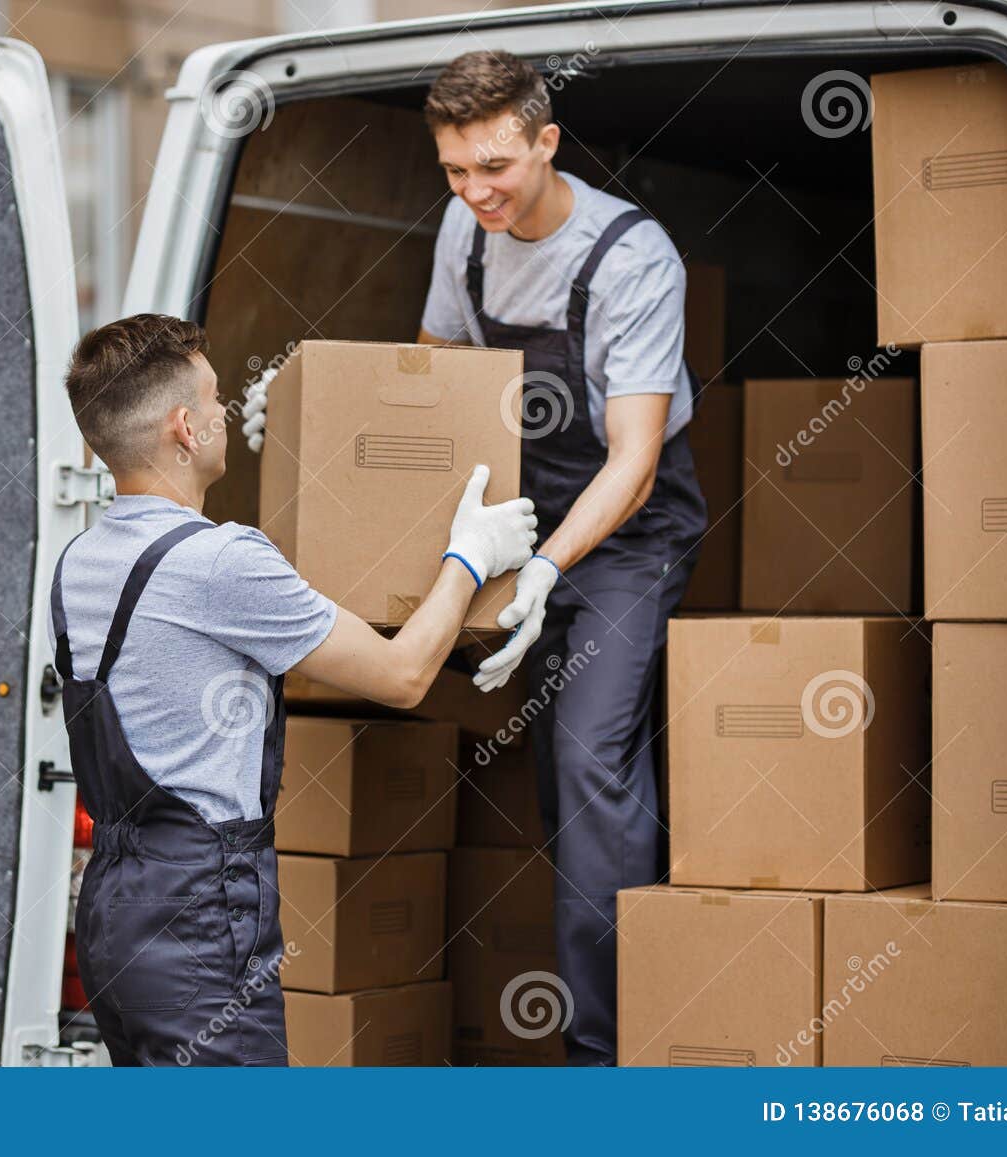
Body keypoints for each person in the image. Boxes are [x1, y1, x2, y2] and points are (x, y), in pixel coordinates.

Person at [244, 50, 708, 1066]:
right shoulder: (467, 229)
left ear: (546, 141)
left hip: (625, 535)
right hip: (515, 516)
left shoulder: (632, 258)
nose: (475, 191)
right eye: (454, 170)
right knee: (534, 758)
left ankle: (612, 1055)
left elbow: (632, 459)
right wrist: (300, 421)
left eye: (494, 166)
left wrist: (542, 576)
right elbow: (435, 381)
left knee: (590, 759)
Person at [50, 313, 537, 1066]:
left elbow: (268, 632)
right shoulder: (222, 564)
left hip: (115, 917)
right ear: (185, 428)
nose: (226, 413)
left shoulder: (79, 560)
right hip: (200, 922)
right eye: (215, 399)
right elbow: (403, 675)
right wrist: (468, 560)